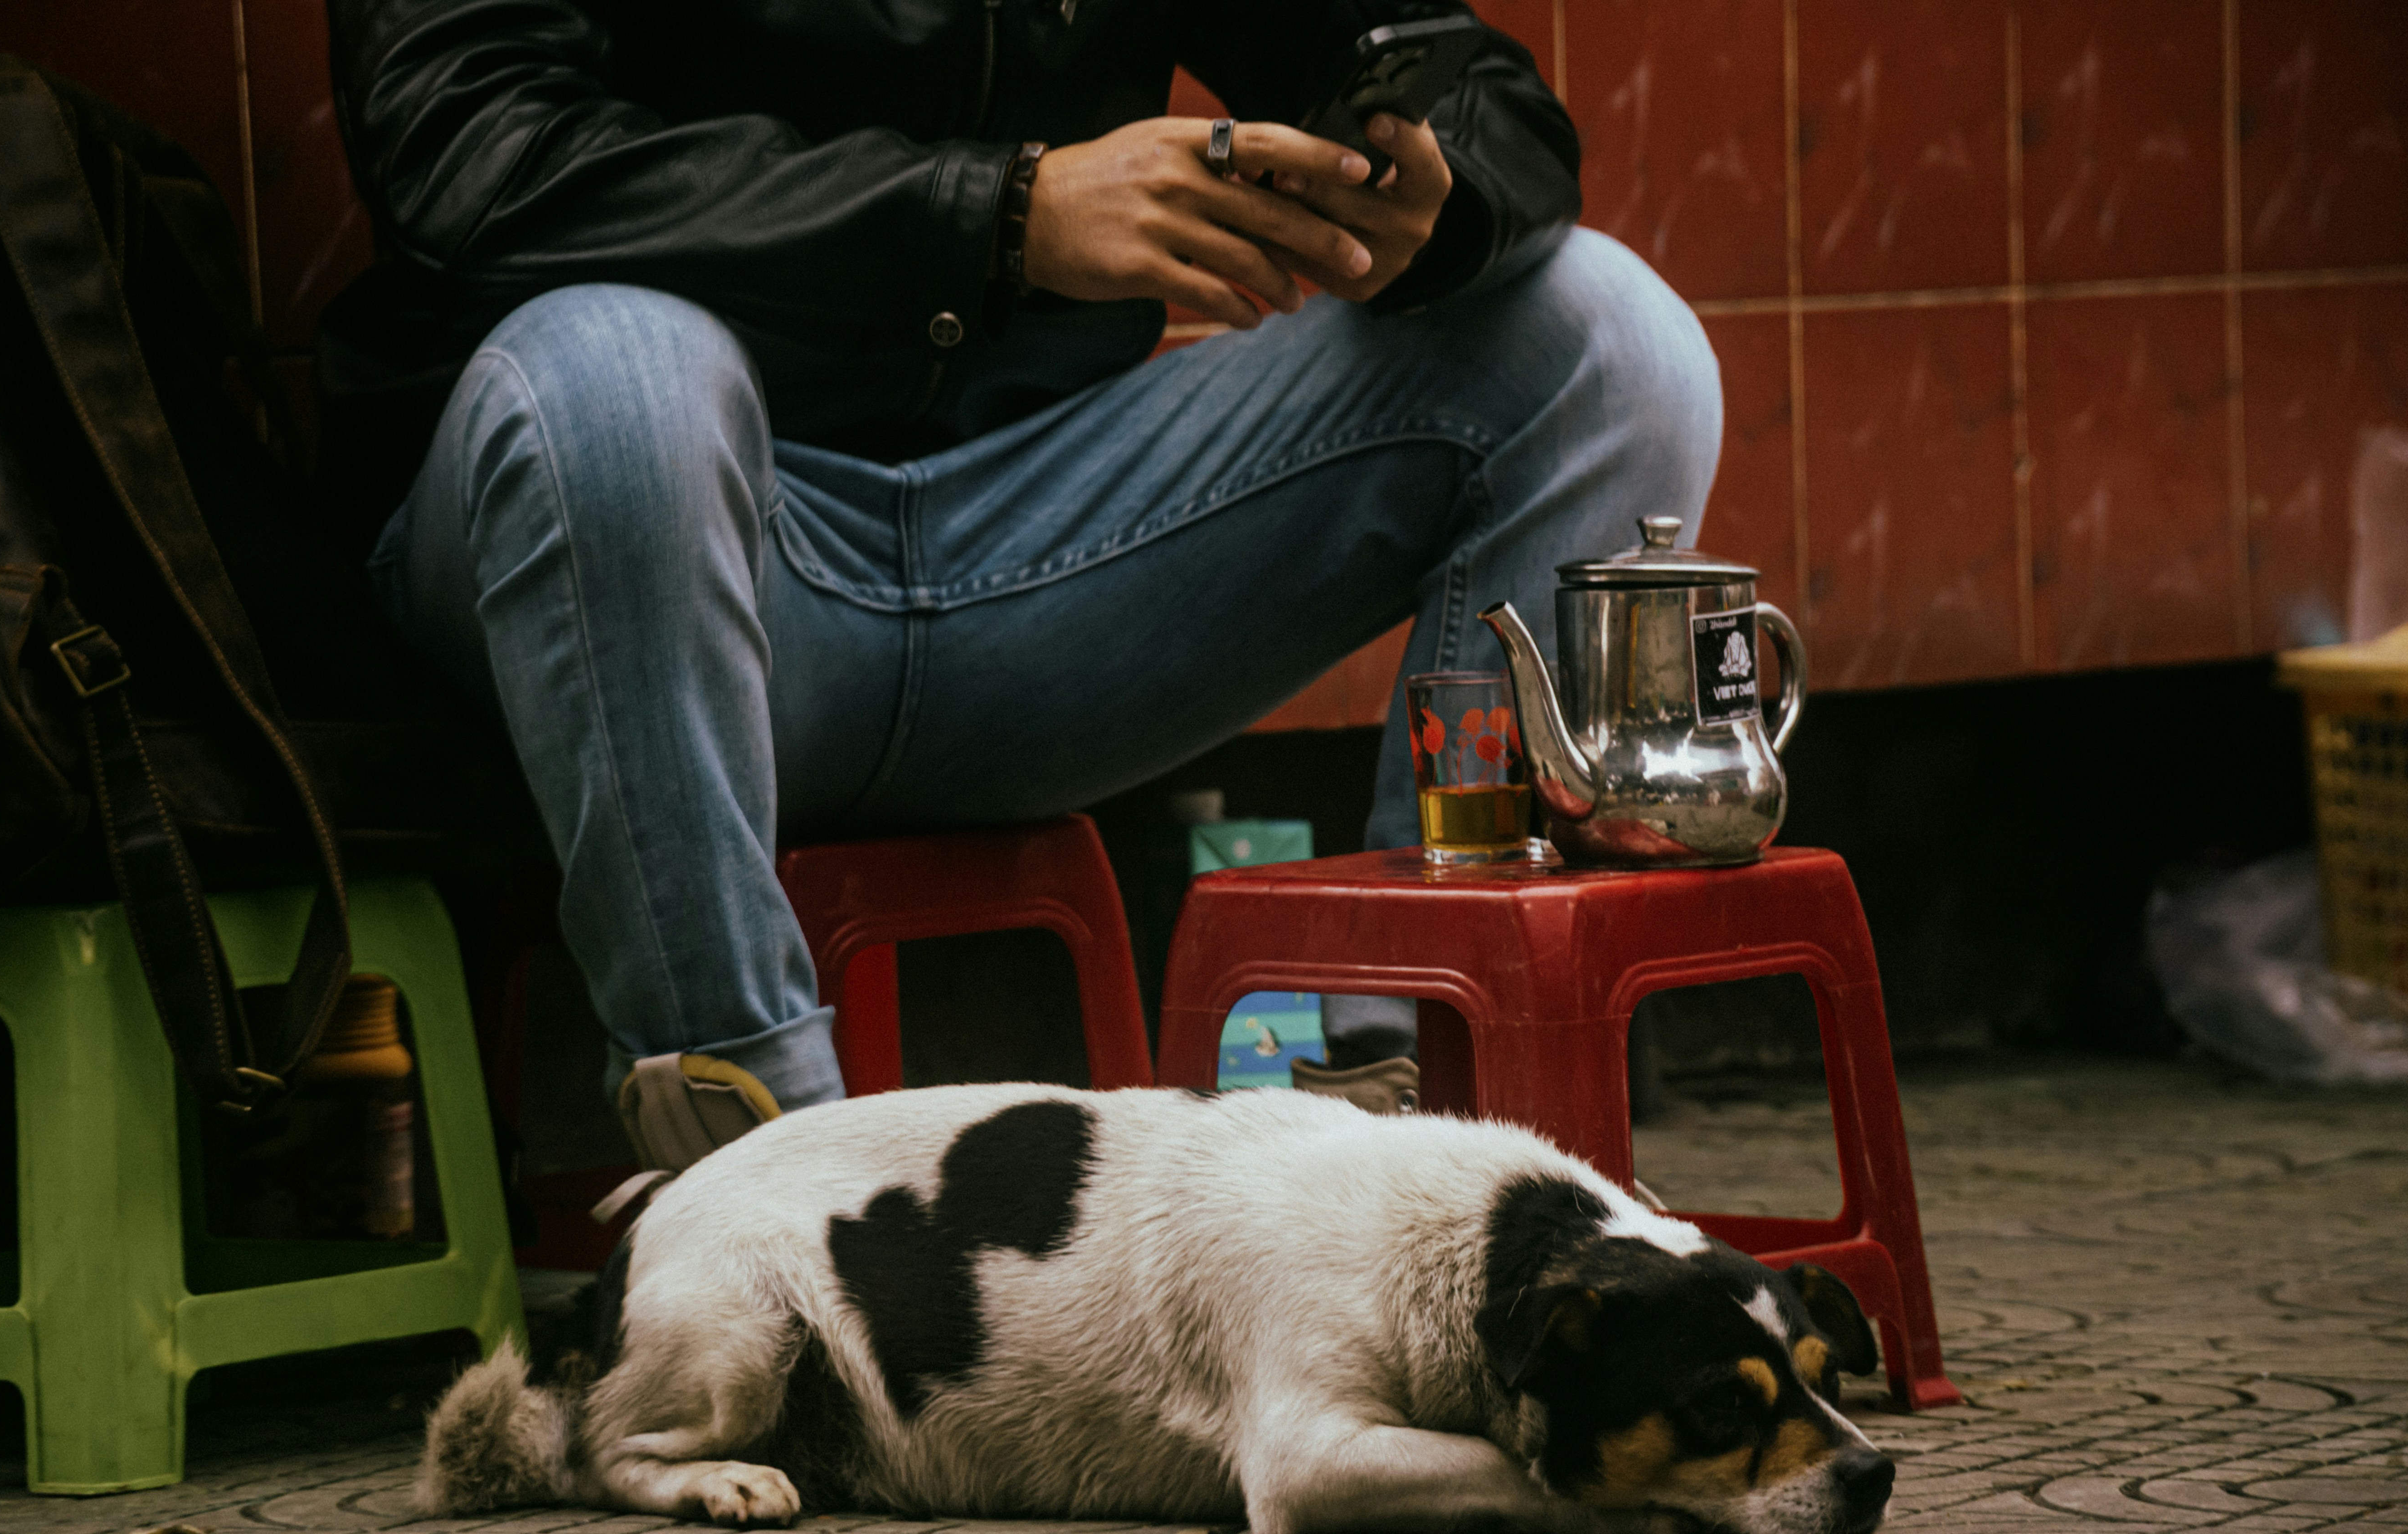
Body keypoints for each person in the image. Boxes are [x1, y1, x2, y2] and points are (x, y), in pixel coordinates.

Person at [320, 0, 1723, 1171]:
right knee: (612, 380)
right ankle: (775, 1187)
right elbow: (474, 153)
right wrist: (997, 214)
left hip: (1042, 556)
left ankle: (1408, 1135)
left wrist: (1435, 194)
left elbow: (1449, 64)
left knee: (1606, 339)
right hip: (631, 557)